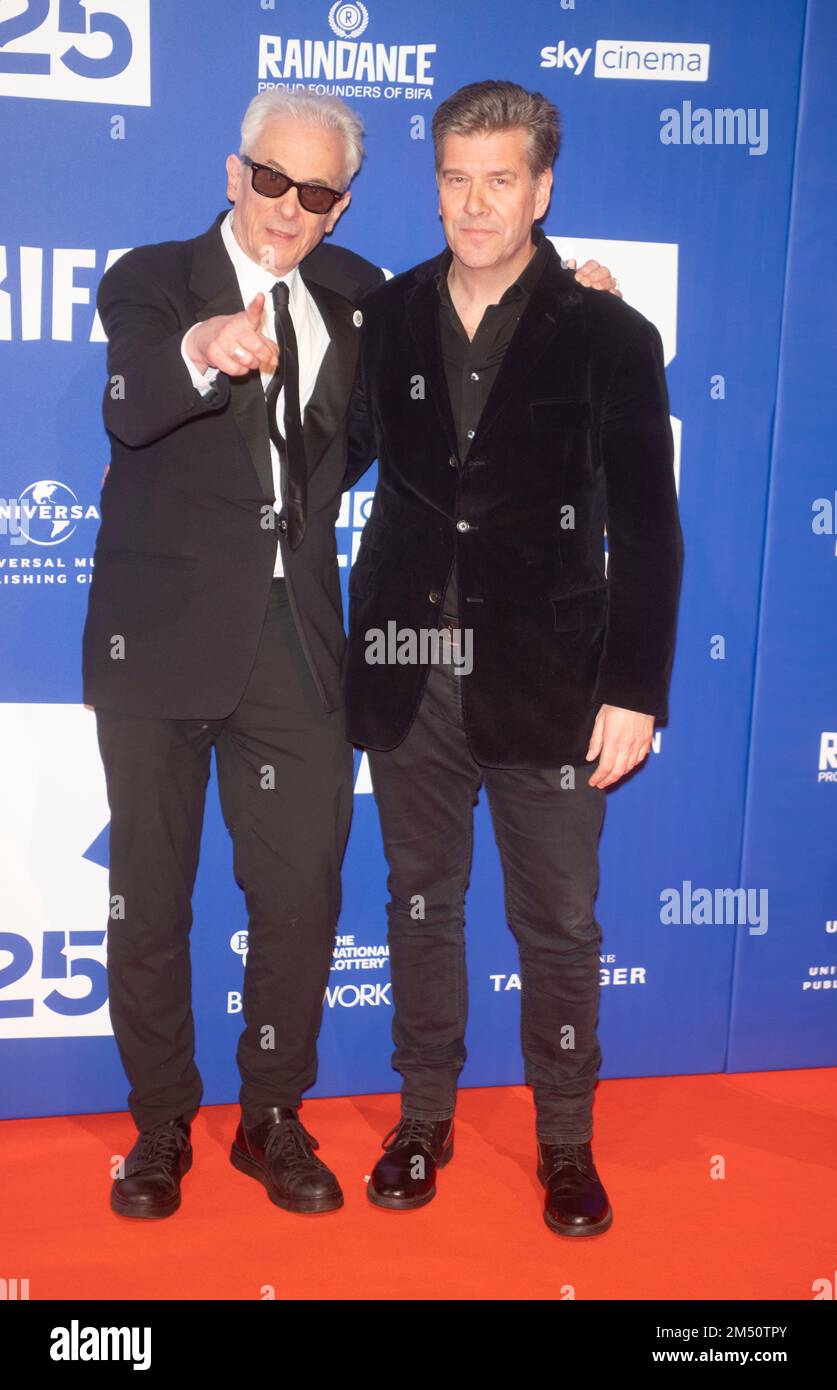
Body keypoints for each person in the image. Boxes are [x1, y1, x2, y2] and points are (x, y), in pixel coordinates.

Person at [343, 80, 684, 1236]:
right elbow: (331, 454)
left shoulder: (610, 334)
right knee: (420, 906)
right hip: (409, 669)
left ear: (543, 187)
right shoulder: (385, 319)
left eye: (500, 179)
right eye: (454, 177)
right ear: (432, 182)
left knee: (559, 928)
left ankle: (568, 1140)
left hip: (552, 681)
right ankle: (423, 1117)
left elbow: (647, 524)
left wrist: (637, 686)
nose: (474, 203)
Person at [83, 89, 385, 1219]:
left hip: (294, 646)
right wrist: (205, 350)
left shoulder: (358, 299)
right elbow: (133, 404)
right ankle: (161, 1120)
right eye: (271, 180)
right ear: (233, 171)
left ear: (339, 205)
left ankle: (270, 1117)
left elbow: (462, 331)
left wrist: (570, 294)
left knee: (300, 889)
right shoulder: (151, 279)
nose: (288, 210)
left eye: (315, 194)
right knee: (150, 894)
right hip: (158, 636)